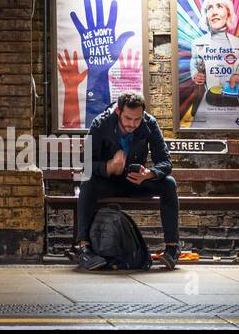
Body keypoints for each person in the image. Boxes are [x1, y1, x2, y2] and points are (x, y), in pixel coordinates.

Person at [76, 92, 180, 270]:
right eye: (128, 118)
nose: (132, 124)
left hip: (135, 181)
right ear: (118, 111)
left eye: (137, 119)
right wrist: (108, 167)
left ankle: (172, 248)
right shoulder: (100, 124)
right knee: (87, 183)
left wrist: (149, 173)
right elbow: (85, 164)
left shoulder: (150, 124)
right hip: (108, 183)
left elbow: (165, 162)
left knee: (169, 183)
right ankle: (84, 249)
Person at [190, 0, 239, 111]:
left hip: (236, 105)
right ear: (206, 16)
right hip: (209, 104)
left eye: (219, 6)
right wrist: (195, 75)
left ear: (228, 13)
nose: (214, 12)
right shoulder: (196, 43)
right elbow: (194, 66)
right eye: (210, 8)